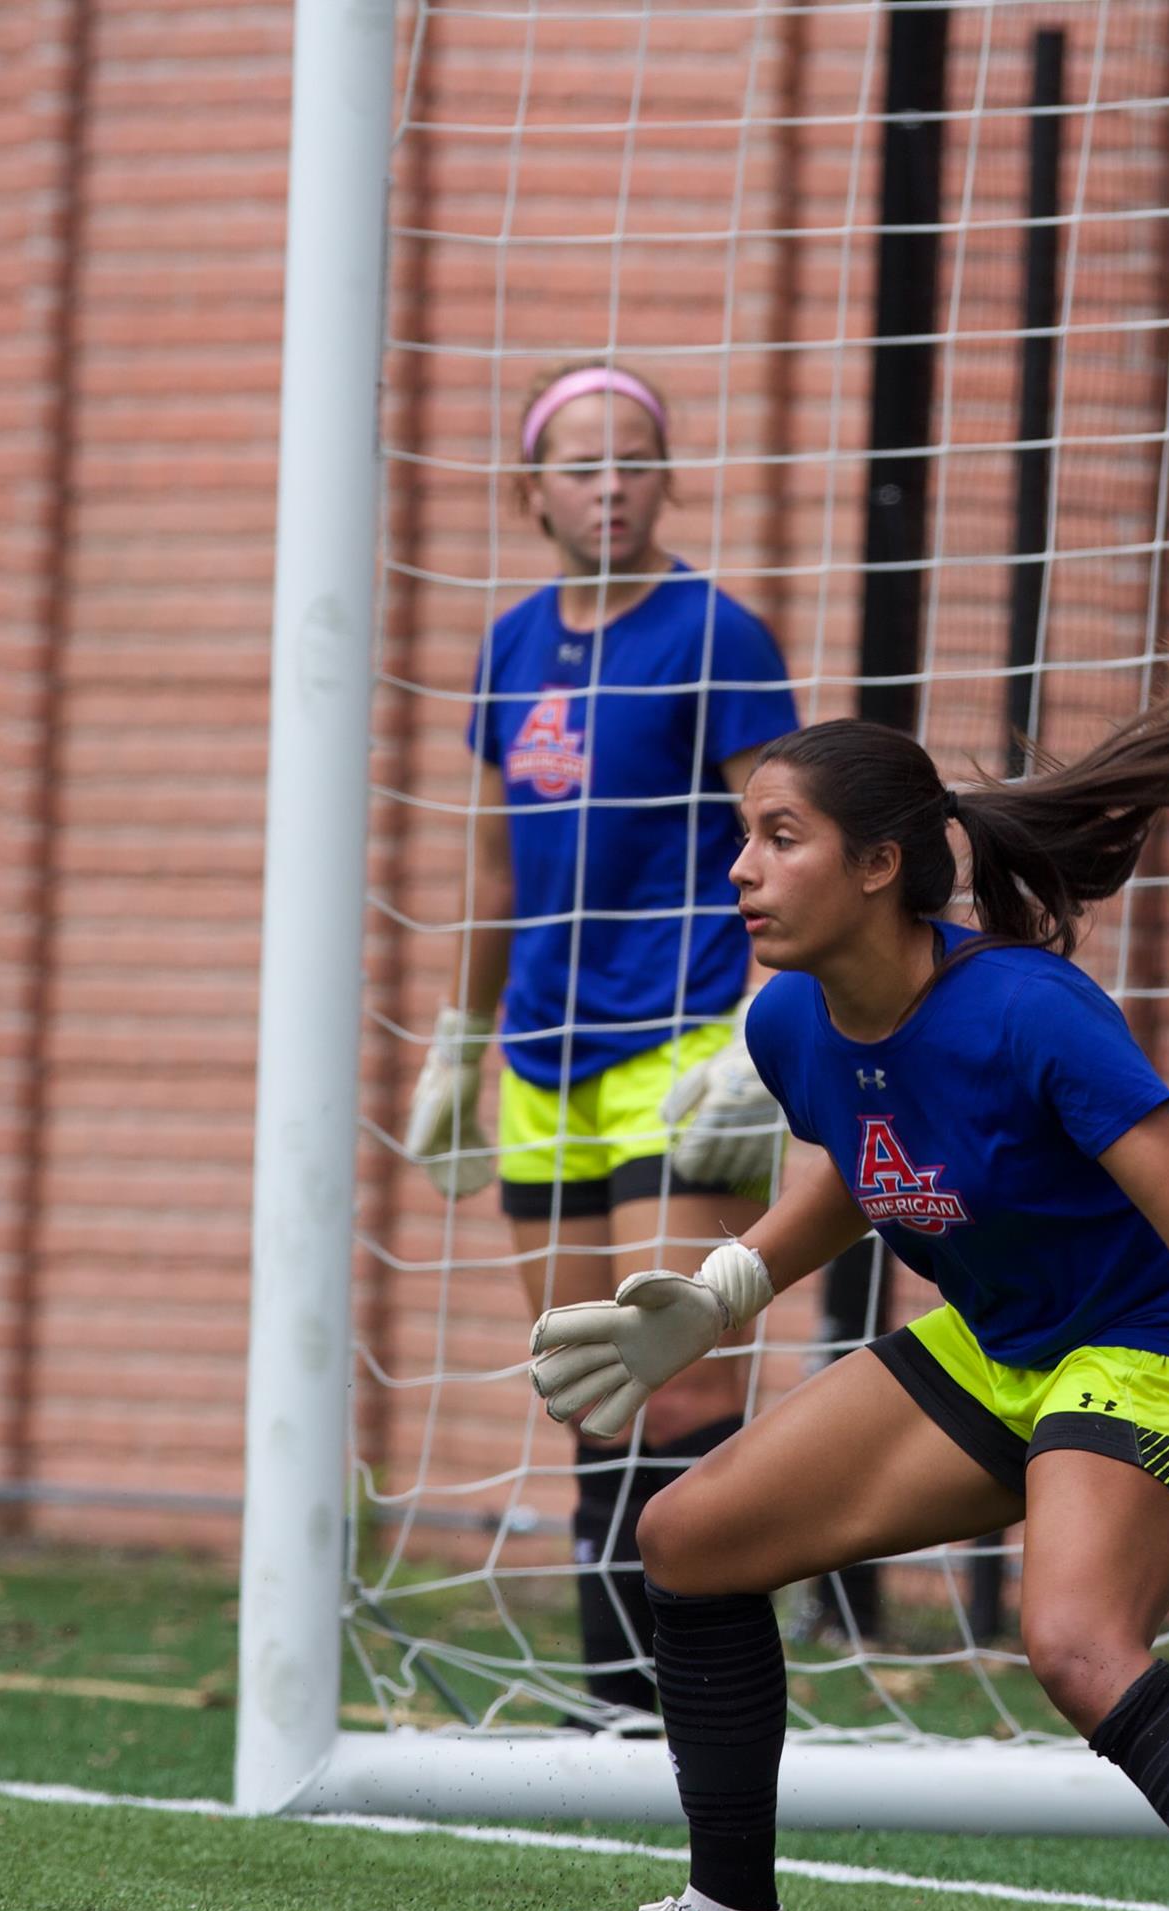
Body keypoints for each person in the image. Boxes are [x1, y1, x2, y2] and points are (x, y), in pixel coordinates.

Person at [520, 682, 1169, 1911]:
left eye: (781, 836)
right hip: (999, 1343)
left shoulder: (1031, 1010)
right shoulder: (788, 1020)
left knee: (1071, 1643)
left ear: (880, 865)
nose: (741, 868)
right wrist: (727, 1290)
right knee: (687, 1539)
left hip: (1146, 1349)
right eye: (744, 836)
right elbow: (866, 1167)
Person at [404, 358, 795, 1720]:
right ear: (531, 494)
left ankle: (706, 1703)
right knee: (589, 1391)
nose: (609, 482)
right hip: (539, 1056)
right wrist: (462, 1032)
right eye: (580, 462)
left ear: (668, 478)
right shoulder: (510, 642)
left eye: (633, 457)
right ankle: (609, 1704)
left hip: (678, 1046)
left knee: (681, 1393)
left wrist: (765, 1026)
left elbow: (784, 835)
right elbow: (493, 866)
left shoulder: (716, 633)